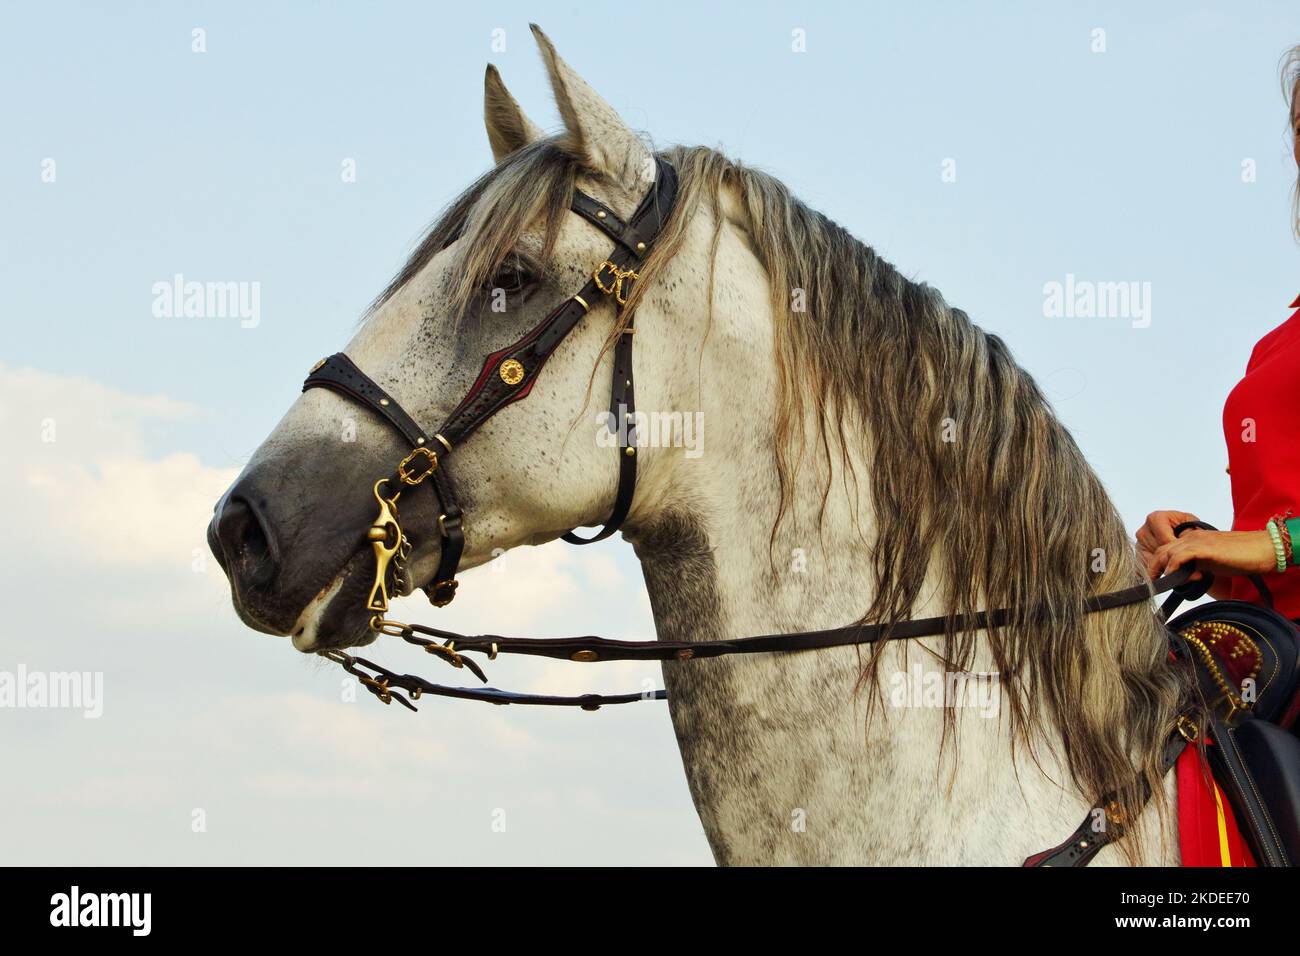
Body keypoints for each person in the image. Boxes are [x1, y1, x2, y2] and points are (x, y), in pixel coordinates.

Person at [1138, 46, 1300, 617]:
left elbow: (1279, 547)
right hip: (1273, 647)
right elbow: (1275, 576)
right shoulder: (1273, 347)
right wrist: (1204, 553)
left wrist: (1272, 545)